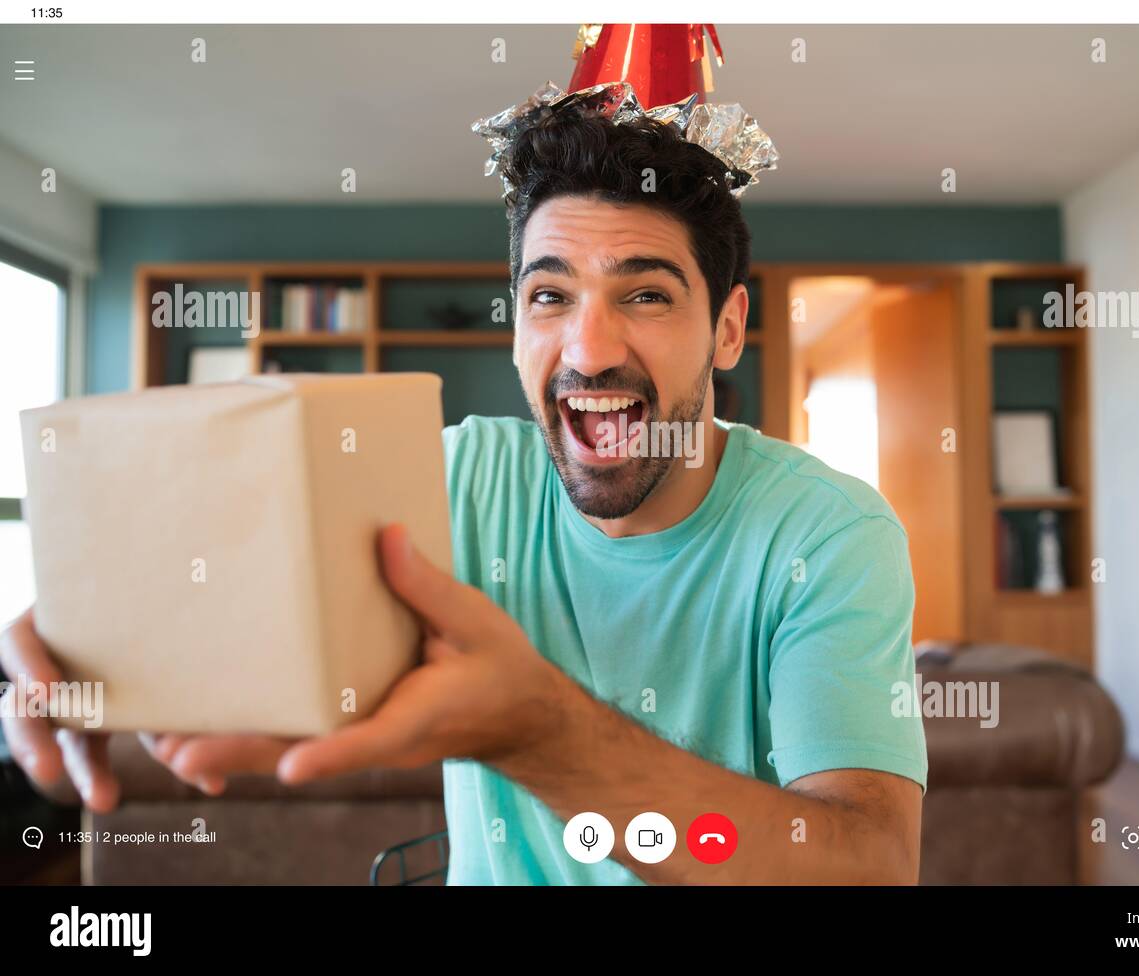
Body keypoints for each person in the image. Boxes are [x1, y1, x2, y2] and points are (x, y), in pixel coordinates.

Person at [1, 109, 927, 884]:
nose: (588, 349)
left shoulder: (828, 532)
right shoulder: (446, 480)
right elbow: (223, 581)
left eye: (645, 295)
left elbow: (871, 860)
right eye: (549, 296)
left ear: (727, 329)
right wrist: (104, 628)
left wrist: (539, 732)